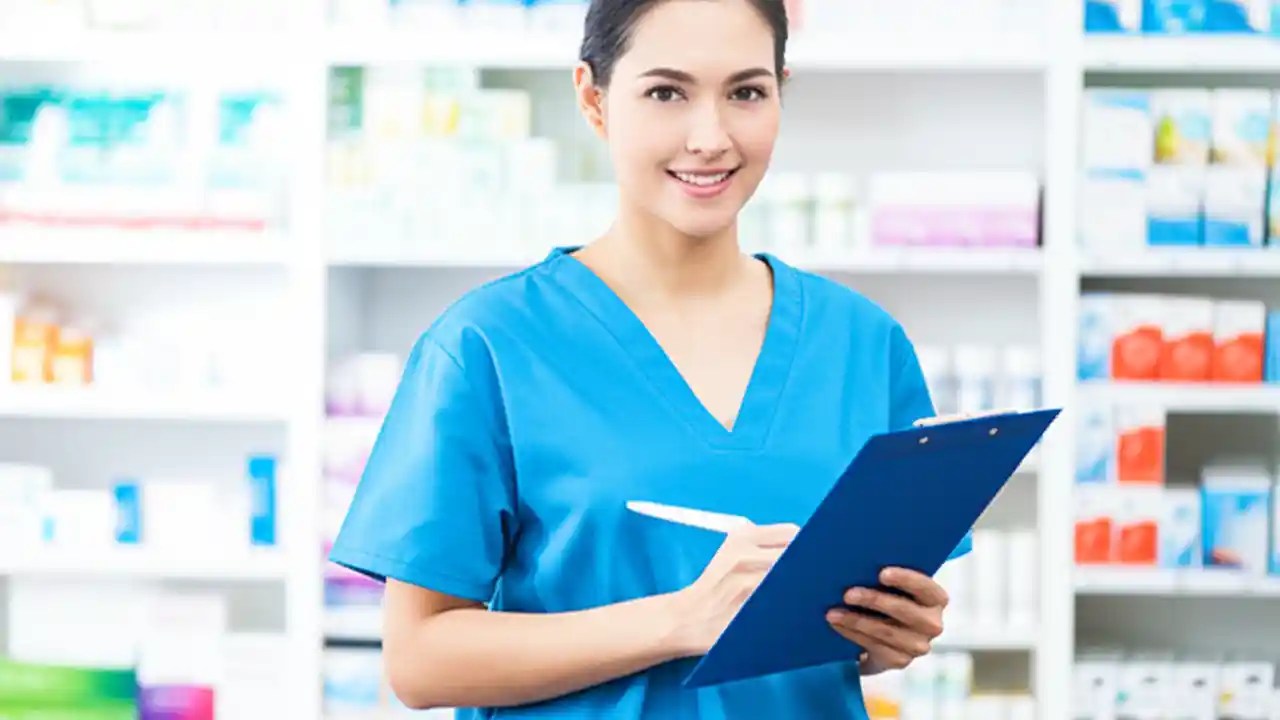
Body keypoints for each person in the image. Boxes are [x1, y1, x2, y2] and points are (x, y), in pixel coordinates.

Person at [329, 0, 970, 717]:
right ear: (594, 99)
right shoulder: (489, 345)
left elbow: (856, 619)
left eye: (747, 92)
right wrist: (677, 621)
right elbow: (421, 662)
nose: (711, 136)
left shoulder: (862, 343)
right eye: (666, 92)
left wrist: (883, 633)